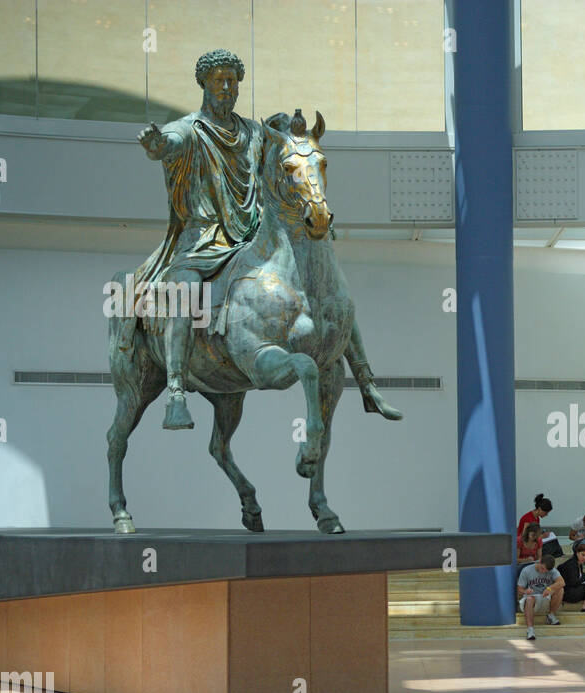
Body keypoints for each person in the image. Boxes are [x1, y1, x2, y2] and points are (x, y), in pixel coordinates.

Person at [133, 49, 401, 431]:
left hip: (250, 232)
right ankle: (176, 392)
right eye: (218, 80)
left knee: (327, 289)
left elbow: (285, 156)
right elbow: (168, 144)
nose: (226, 87)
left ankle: (366, 380)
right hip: (204, 239)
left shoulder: (253, 132)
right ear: (204, 85)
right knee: (185, 291)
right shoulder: (191, 128)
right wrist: (157, 144)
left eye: (232, 81)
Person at [516, 554, 564, 641]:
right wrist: (525, 591)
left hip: (545, 597)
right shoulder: (527, 570)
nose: (543, 572)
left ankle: (551, 615)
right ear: (539, 561)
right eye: (542, 568)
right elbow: (519, 589)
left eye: (546, 570)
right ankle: (530, 630)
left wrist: (550, 588)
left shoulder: (552, 570)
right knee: (529, 599)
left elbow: (562, 582)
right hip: (532, 597)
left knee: (560, 589)